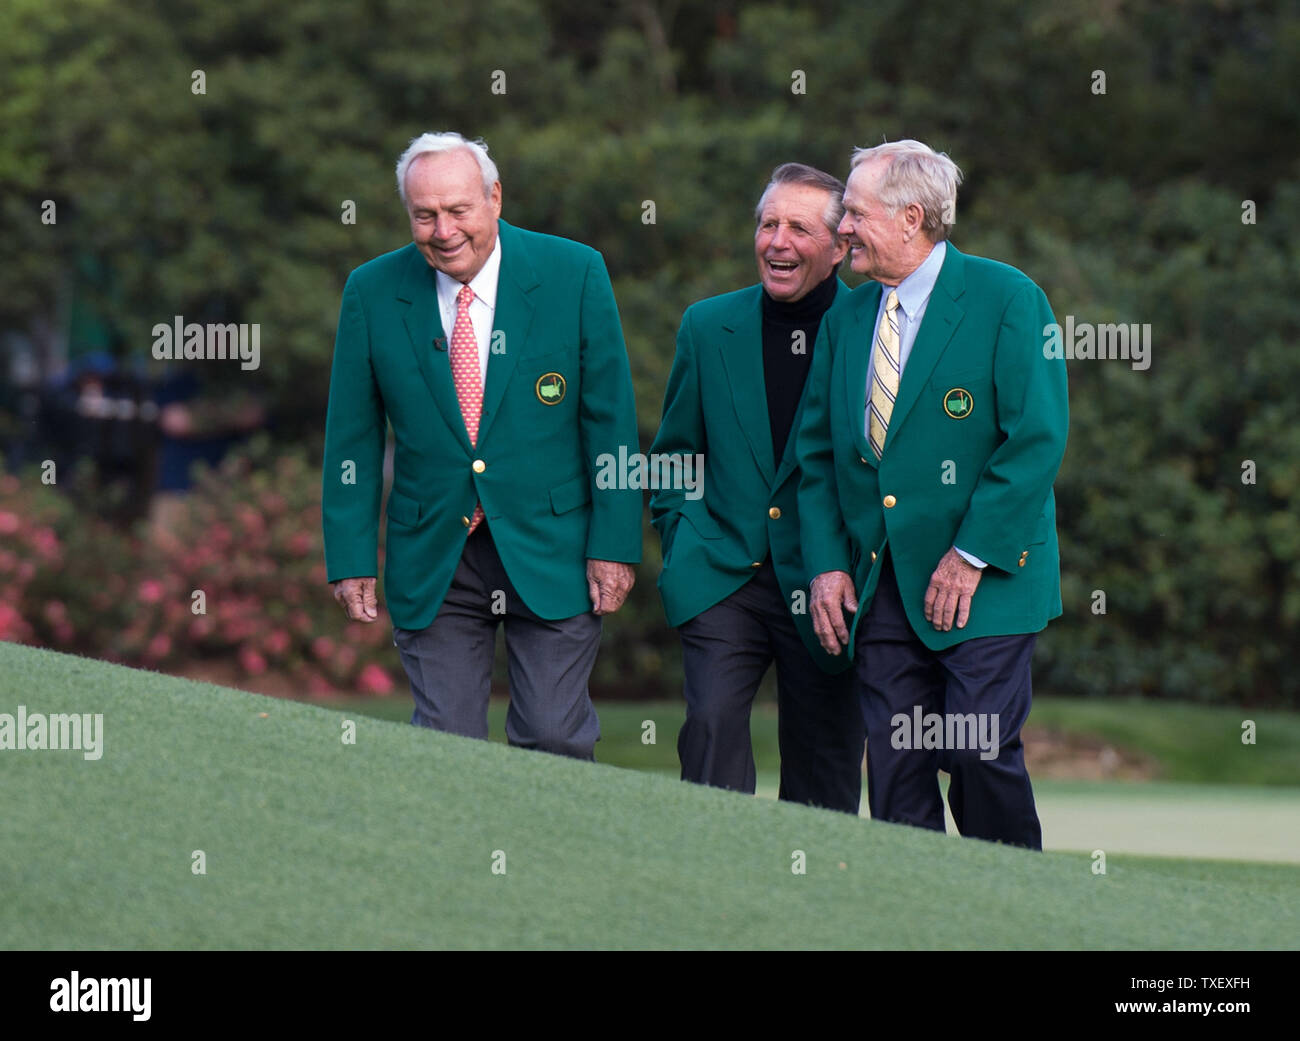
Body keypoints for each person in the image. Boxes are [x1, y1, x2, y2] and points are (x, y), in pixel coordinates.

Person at [322, 132, 641, 760]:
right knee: (447, 750)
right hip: (434, 551)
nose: (443, 231)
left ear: (494, 198)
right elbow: (352, 437)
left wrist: (614, 543)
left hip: (553, 546)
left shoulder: (574, 273)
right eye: (425, 215)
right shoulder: (372, 290)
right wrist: (351, 555)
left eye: (458, 210)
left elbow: (611, 423)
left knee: (553, 736)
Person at [797, 140, 1069, 847]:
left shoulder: (1008, 299)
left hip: (987, 582)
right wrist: (826, 564)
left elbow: (1035, 438)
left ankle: (1012, 894)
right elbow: (818, 455)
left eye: (854, 213)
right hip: (882, 587)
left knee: (977, 753)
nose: (841, 229)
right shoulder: (846, 318)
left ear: (911, 217)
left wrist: (971, 553)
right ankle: (915, 905)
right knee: (896, 774)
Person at [649, 163, 865, 812]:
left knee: (824, 763)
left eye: (798, 228)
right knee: (710, 726)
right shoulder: (707, 325)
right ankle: (713, 865)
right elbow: (674, 455)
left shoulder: (874, 327)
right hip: (722, 573)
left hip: (830, 581)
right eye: (768, 224)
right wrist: (682, 536)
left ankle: (814, 872)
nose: (777, 241)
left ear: (839, 247)